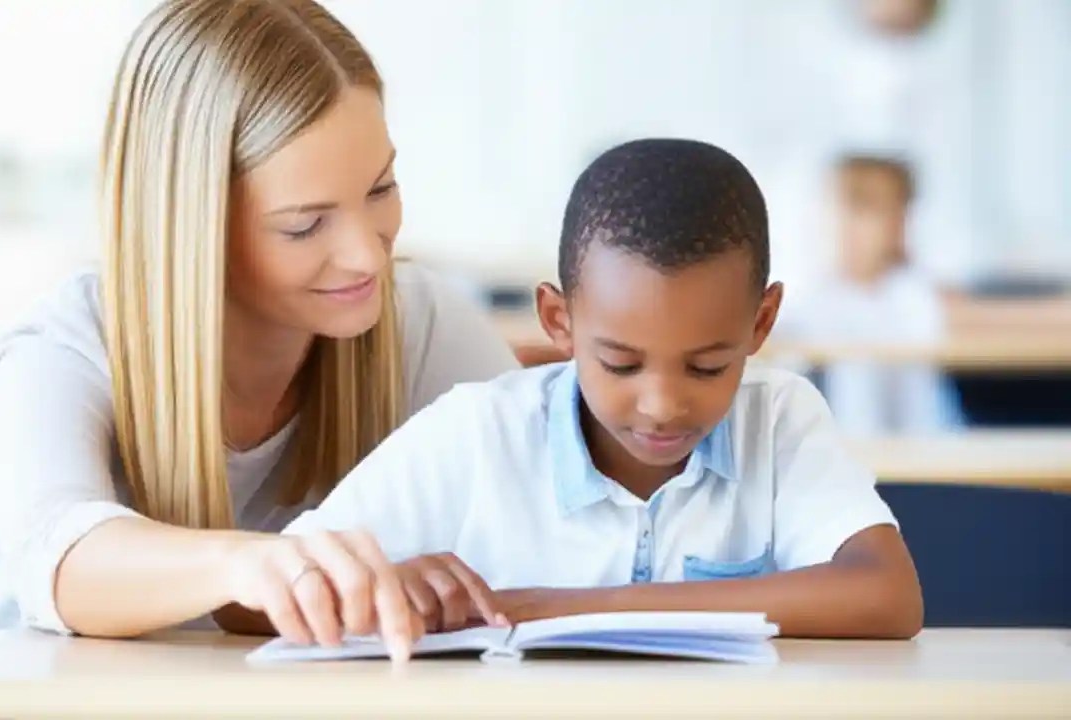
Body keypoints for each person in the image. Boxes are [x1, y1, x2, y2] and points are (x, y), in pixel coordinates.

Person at [0, 0, 519, 659]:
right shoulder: (55, 351)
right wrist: (257, 563)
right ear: (196, 225)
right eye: (304, 225)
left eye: (380, 189)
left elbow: (548, 484)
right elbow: (66, 561)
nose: (367, 256)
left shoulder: (419, 323)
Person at [284, 139, 925, 639]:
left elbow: (887, 594)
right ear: (558, 320)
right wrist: (386, 587)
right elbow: (269, 589)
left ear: (761, 323)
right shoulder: (479, 431)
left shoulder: (778, 420)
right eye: (620, 364)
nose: (662, 405)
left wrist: (565, 608)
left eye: (707, 367)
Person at [778, 154, 962, 434]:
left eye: (865, 210)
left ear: (900, 222)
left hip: (912, 446)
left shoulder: (914, 297)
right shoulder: (806, 298)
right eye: (835, 207)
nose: (845, 223)